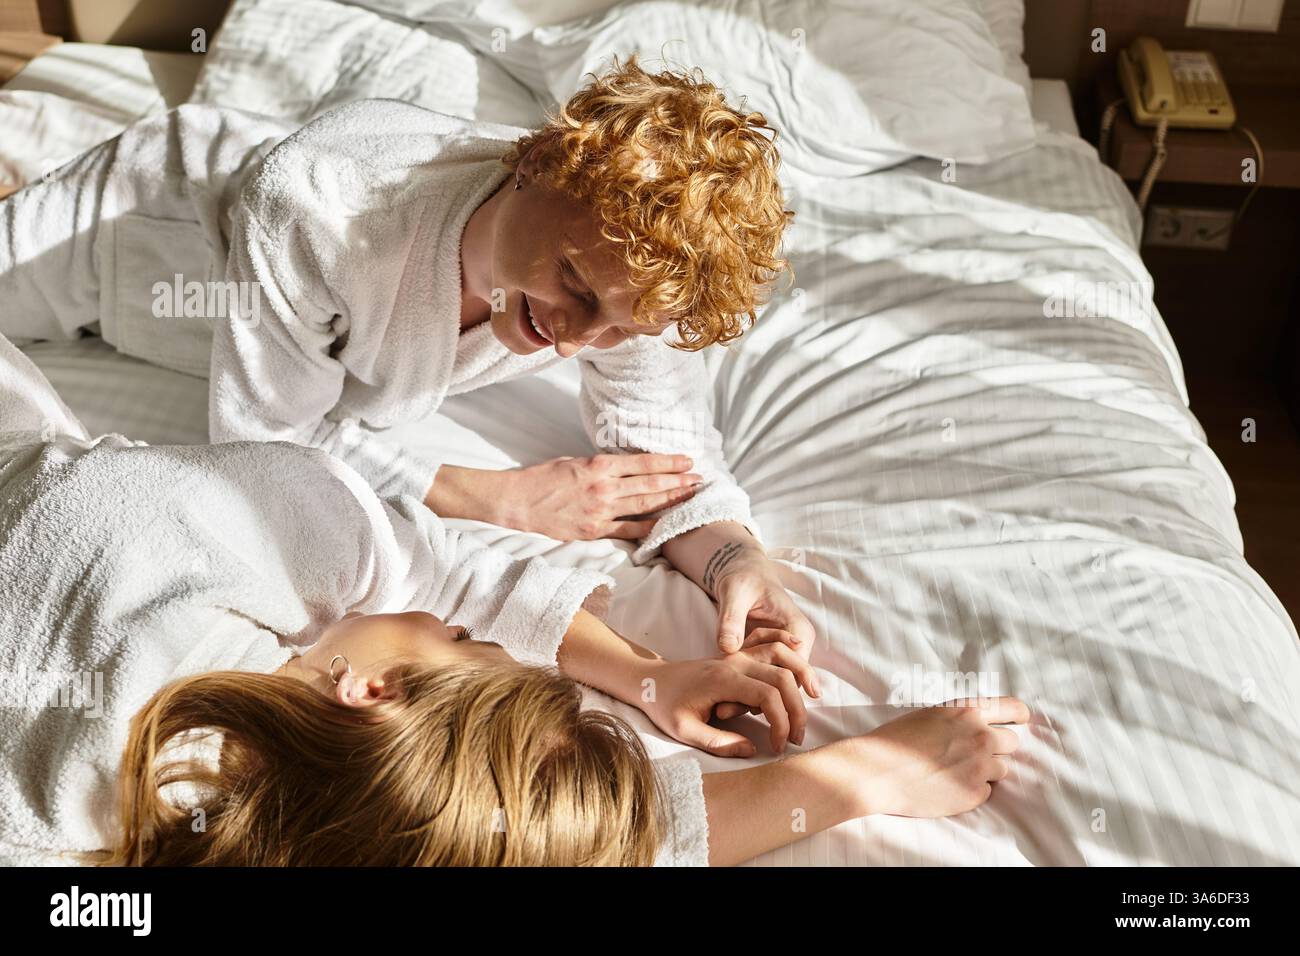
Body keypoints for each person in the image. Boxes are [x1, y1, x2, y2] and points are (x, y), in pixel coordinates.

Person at [0, 333, 1028, 866]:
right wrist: (842, 774)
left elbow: (437, 576)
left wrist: (851, 771)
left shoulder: (253, 533)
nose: (461, 620)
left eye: (463, 642)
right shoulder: (87, 833)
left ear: (367, 691)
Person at [0, 58, 811, 659]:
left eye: (617, 329)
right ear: (533, 161)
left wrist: (737, 562)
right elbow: (266, 448)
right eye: (572, 284)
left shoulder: (648, 274)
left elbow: (662, 445)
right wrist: (497, 498)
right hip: (132, 225)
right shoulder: (321, 203)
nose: (572, 342)